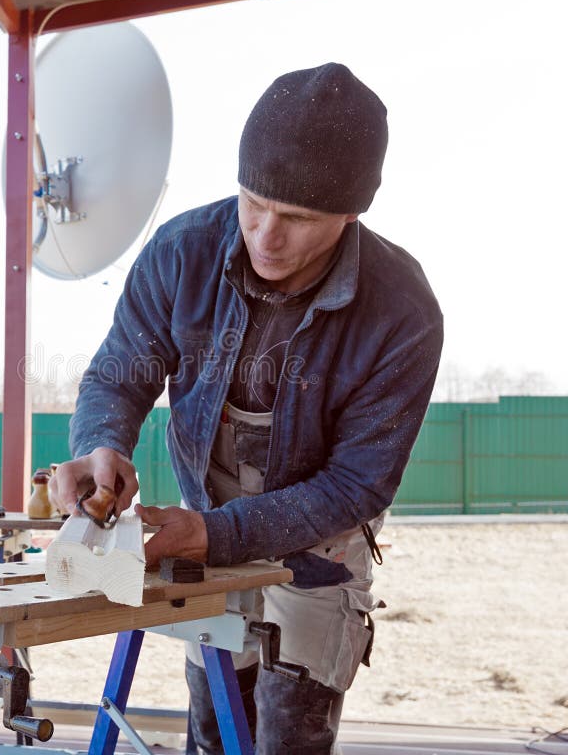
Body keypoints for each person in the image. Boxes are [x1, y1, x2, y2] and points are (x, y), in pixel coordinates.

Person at [49, 63, 444, 754]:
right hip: (205, 539)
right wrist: (102, 443)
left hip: (319, 550)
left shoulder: (401, 313)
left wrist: (212, 533)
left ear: (352, 212)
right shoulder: (180, 254)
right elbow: (117, 376)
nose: (265, 235)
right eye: (253, 203)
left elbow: (358, 485)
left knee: (288, 737)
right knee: (214, 735)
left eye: (296, 219)